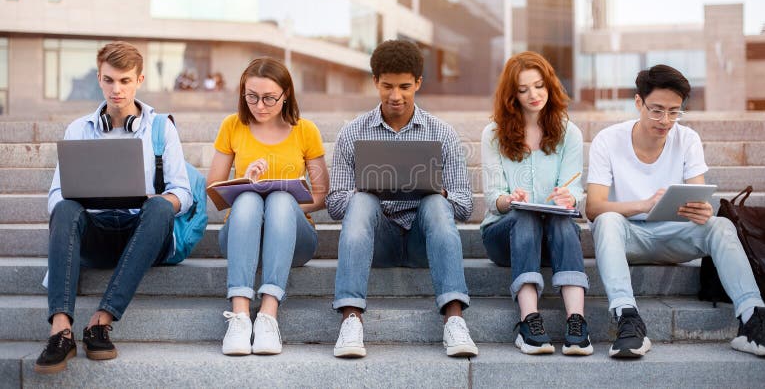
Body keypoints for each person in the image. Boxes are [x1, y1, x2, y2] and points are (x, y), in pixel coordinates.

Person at [586, 64, 765, 359]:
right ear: (638, 103)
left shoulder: (688, 139)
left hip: (673, 235)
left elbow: (699, 195)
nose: (665, 120)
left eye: (674, 111)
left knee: (720, 225)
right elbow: (593, 207)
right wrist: (644, 205)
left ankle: (752, 320)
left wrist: (701, 210)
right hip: (627, 237)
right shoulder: (608, 140)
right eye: (656, 110)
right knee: (607, 220)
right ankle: (627, 319)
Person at [35, 41, 193, 374]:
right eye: (109, 80)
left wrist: (161, 200)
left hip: (144, 232)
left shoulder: (162, 128)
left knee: (162, 208)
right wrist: (79, 199)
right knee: (64, 209)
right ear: (99, 78)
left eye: (124, 81)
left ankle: (101, 321)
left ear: (139, 80)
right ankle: (60, 331)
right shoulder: (78, 129)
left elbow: (183, 192)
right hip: (96, 231)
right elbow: (55, 196)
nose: (116, 89)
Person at [327, 39, 477, 359]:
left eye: (405, 87)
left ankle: (454, 320)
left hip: (425, 241)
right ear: (375, 83)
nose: (396, 96)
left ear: (419, 83)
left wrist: (438, 190)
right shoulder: (352, 134)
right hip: (379, 241)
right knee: (362, 201)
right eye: (387, 86)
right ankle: (351, 319)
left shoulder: (443, 134)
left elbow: (465, 206)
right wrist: (366, 189)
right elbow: (336, 204)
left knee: (437, 204)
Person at [206, 57, 329, 356]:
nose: (260, 106)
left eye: (269, 98)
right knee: (249, 198)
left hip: (296, 238)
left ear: (286, 94)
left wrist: (281, 210)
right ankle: (239, 316)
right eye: (252, 97)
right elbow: (213, 190)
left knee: (280, 199)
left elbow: (322, 195)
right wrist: (247, 184)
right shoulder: (232, 125)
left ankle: (268, 314)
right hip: (241, 232)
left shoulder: (305, 130)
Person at [481, 51, 592, 356]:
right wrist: (510, 200)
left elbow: (576, 191)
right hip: (503, 235)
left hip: (554, 236)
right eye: (523, 89)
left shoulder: (569, 132)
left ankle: (576, 322)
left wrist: (570, 198)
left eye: (539, 85)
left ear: (550, 86)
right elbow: (492, 200)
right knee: (525, 216)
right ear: (511, 95)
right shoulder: (494, 134)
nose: (534, 95)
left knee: (560, 219)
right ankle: (529, 322)